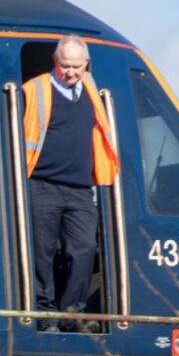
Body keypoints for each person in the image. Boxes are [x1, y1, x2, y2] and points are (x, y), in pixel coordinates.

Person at [20, 37, 119, 325]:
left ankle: (72, 313)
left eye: (77, 66)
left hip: (80, 189)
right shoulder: (34, 89)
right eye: (65, 66)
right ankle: (44, 313)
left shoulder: (91, 89)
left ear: (86, 64)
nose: (71, 72)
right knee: (43, 252)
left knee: (84, 249)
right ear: (55, 61)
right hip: (42, 184)